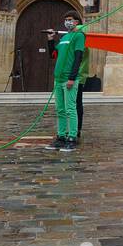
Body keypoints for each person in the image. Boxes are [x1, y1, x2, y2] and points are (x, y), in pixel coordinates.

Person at [44, 10, 86, 152]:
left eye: (70, 19)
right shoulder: (64, 37)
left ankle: (72, 137)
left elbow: (78, 57)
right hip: (58, 79)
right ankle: (61, 136)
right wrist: (50, 40)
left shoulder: (79, 36)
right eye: (66, 19)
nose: (67, 22)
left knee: (70, 109)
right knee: (60, 110)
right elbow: (53, 55)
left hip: (69, 79)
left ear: (76, 22)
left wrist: (72, 78)